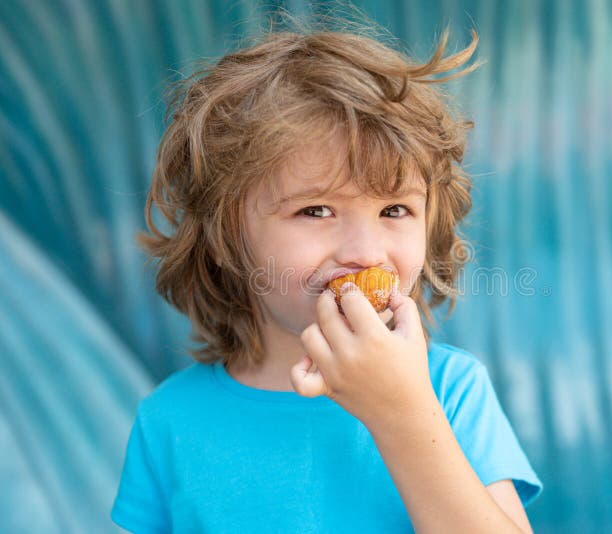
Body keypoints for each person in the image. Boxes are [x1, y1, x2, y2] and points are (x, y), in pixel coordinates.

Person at [111, 13, 542, 533]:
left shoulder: (450, 391)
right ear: (224, 240)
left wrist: (401, 414)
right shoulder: (168, 423)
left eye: (394, 211)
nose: (364, 252)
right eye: (315, 211)